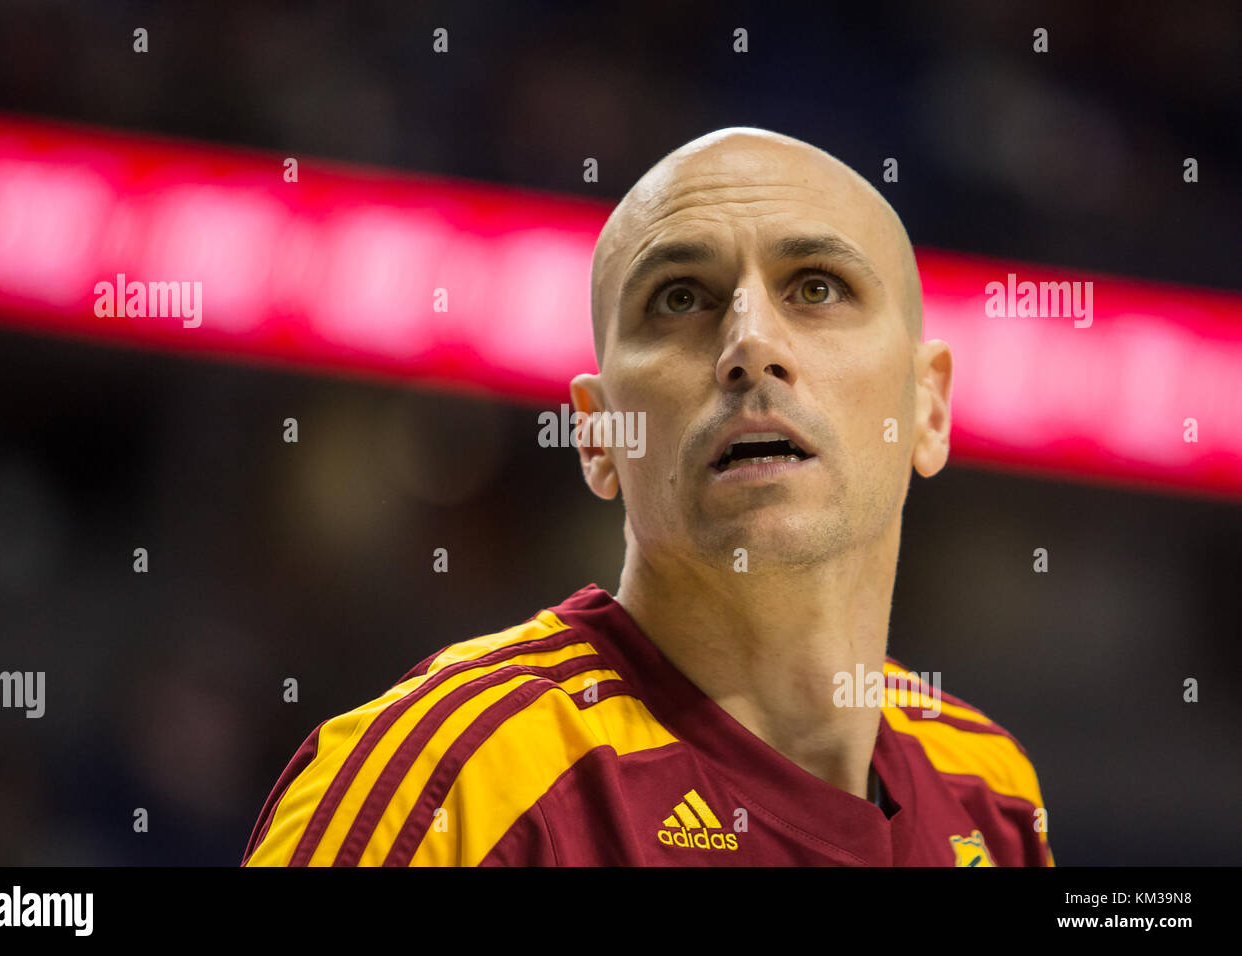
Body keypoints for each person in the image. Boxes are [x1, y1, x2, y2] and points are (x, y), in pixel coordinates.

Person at [243, 126, 1054, 866]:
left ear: (928, 409)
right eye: (680, 298)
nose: (750, 345)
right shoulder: (444, 785)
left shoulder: (992, 792)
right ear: (597, 437)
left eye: (816, 288)